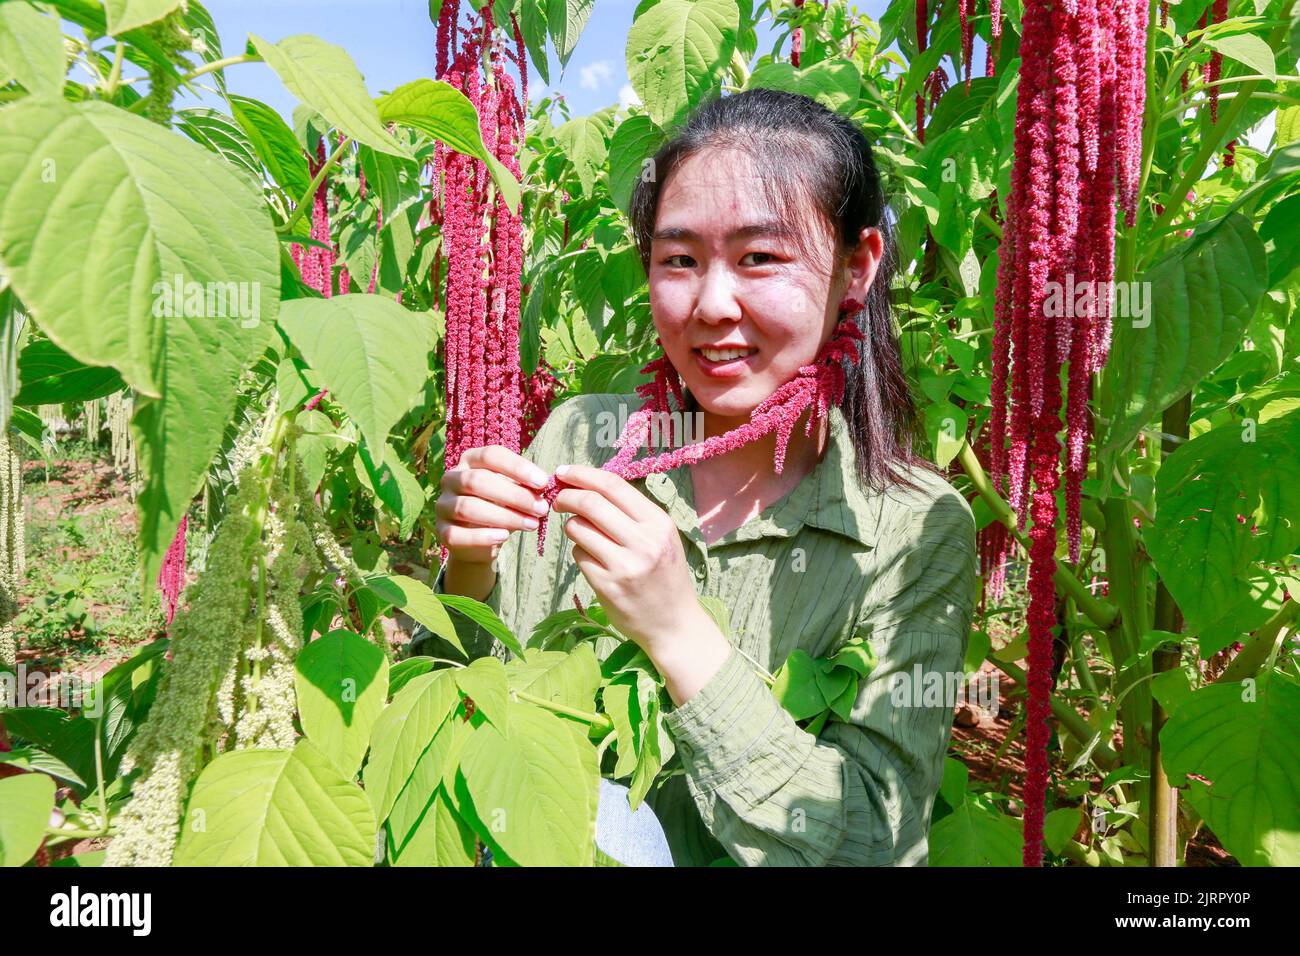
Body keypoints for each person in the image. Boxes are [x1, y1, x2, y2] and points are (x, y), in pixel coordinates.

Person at [421, 87, 978, 866]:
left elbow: (873, 844)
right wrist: (469, 572)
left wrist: (678, 631)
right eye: (679, 261)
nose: (713, 304)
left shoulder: (915, 528)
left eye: (760, 259)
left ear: (858, 266)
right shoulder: (582, 437)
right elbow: (443, 719)